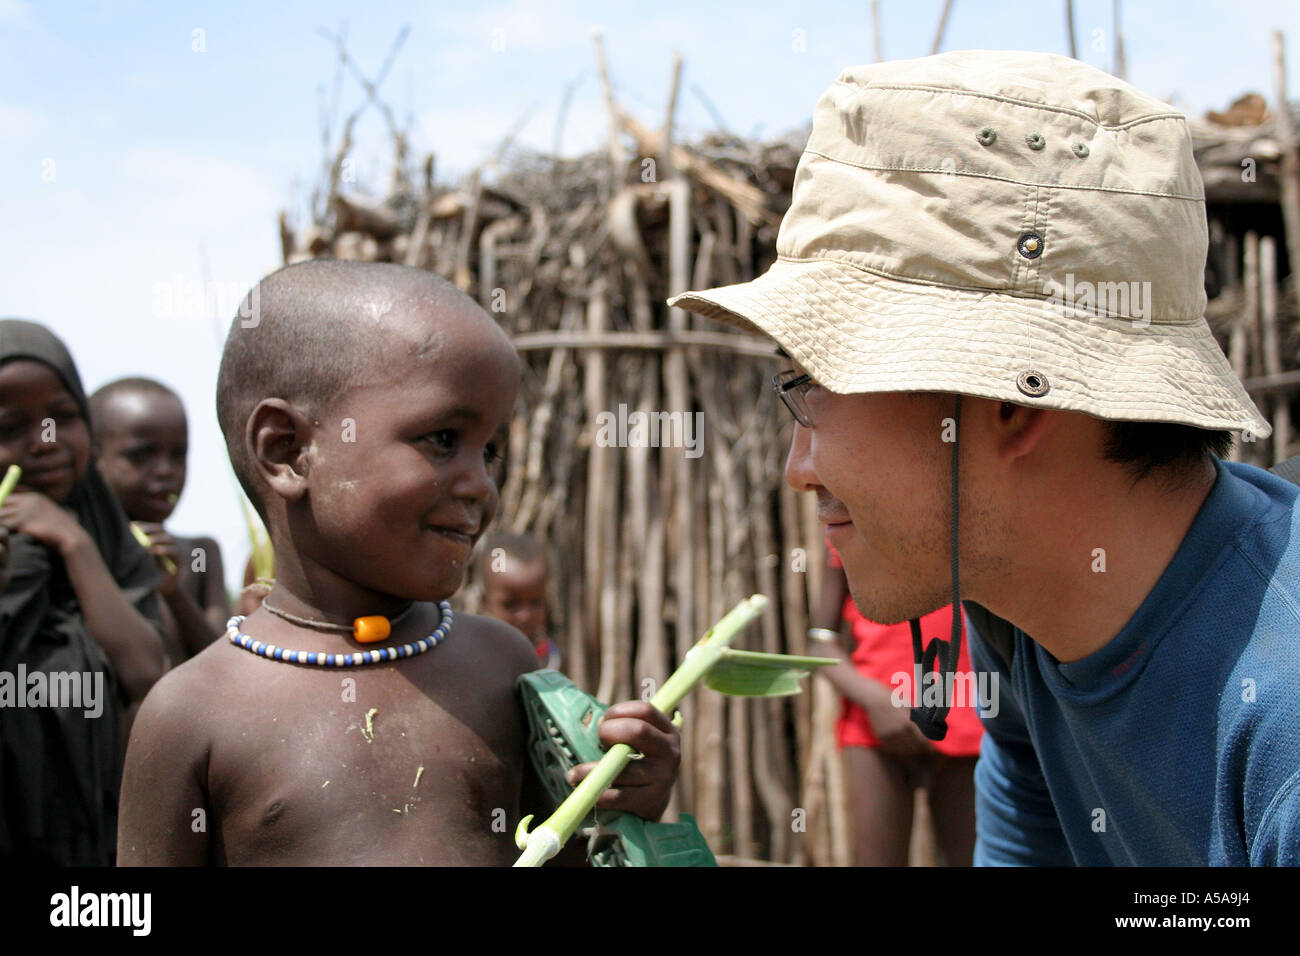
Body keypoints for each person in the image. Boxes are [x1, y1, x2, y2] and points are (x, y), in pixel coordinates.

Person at [668, 51, 1300, 865]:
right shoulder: (1019, 618)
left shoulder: (1281, 719)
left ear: (1014, 401)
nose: (800, 468)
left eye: (809, 386)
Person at [117, 260, 679, 865]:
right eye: (442, 440)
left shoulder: (499, 663)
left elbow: (557, 852)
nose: (481, 486)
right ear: (288, 451)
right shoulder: (192, 713)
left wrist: (622, 801)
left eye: (488, 451)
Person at [0, 319, 166, 865]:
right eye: (10, 426)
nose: (45, 441)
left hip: (93, 837)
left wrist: (73, 543)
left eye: (63, 418)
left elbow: (144, 669)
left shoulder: (104, 531)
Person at [810, 546, 980, 865]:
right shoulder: (846, 526)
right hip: (875, 725)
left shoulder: (972, 524)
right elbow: (819, 639)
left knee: (976, 859)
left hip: (971, 720)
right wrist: (875, 700)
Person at [90, 377, 229, 666]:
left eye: (178, 454)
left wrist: (174, 593)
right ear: (93, 459)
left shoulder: (198, 553)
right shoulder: (85, 552)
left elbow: (223, 659)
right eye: (140, 455)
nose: (165, 470)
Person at [477, 530, 561, 669]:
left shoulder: (552, 659)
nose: (525, 616)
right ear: (485, 602)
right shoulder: (475, 658)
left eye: (535, 602)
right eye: (511, 605)